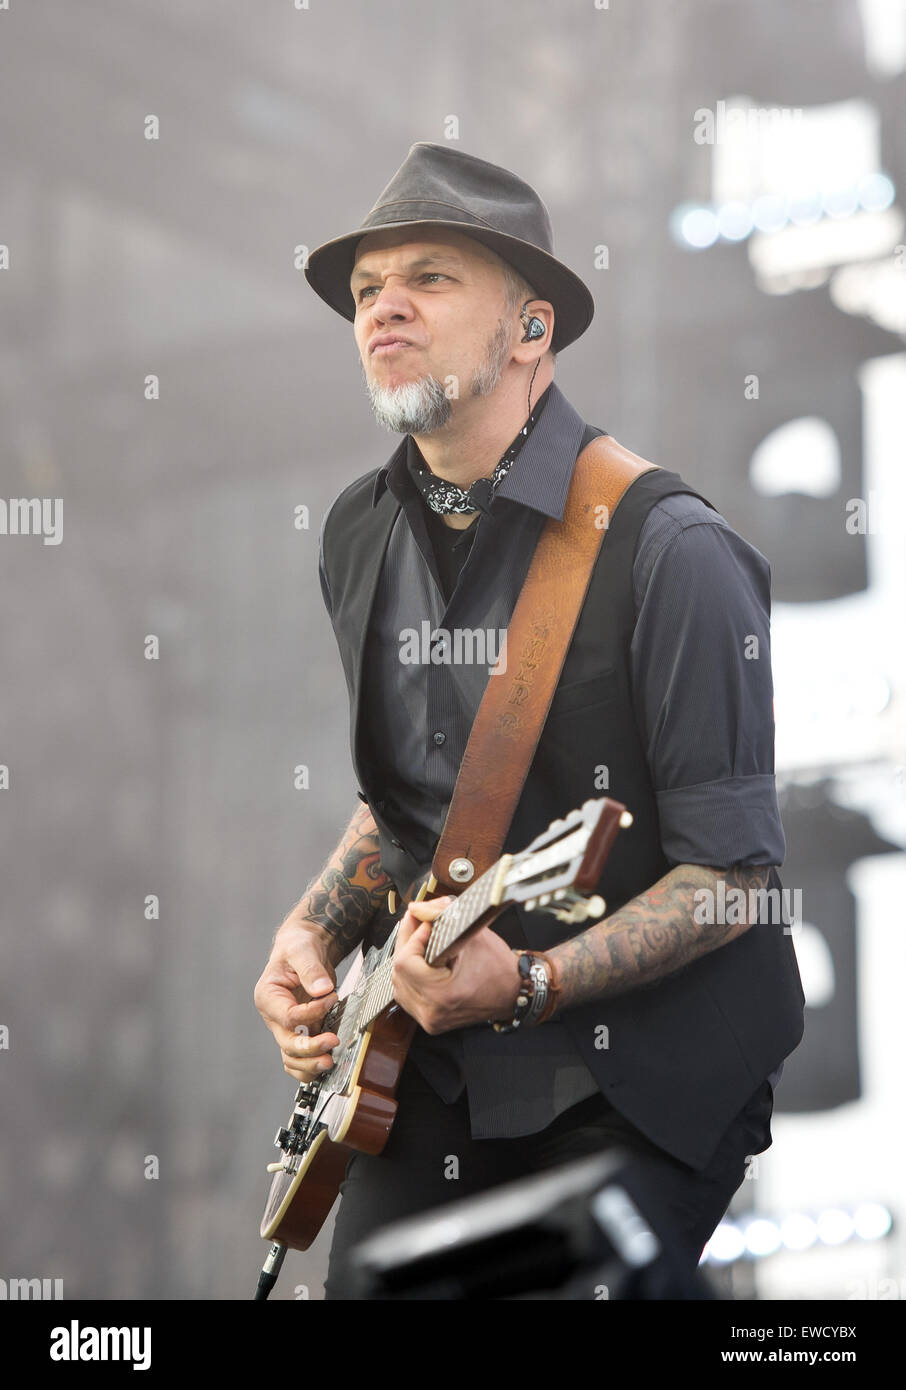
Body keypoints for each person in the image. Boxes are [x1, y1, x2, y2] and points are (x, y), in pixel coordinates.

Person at [253, 143, 805, 1299]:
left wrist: (530, 985)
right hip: (433, 1067)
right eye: (365, 290)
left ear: (532, 329)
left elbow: (736, 874)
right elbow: (416, 798)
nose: (383, 305)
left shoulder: (672, 549)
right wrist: (312, 929)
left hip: (637, 1078)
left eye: (430, 277)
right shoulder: (359, 535)